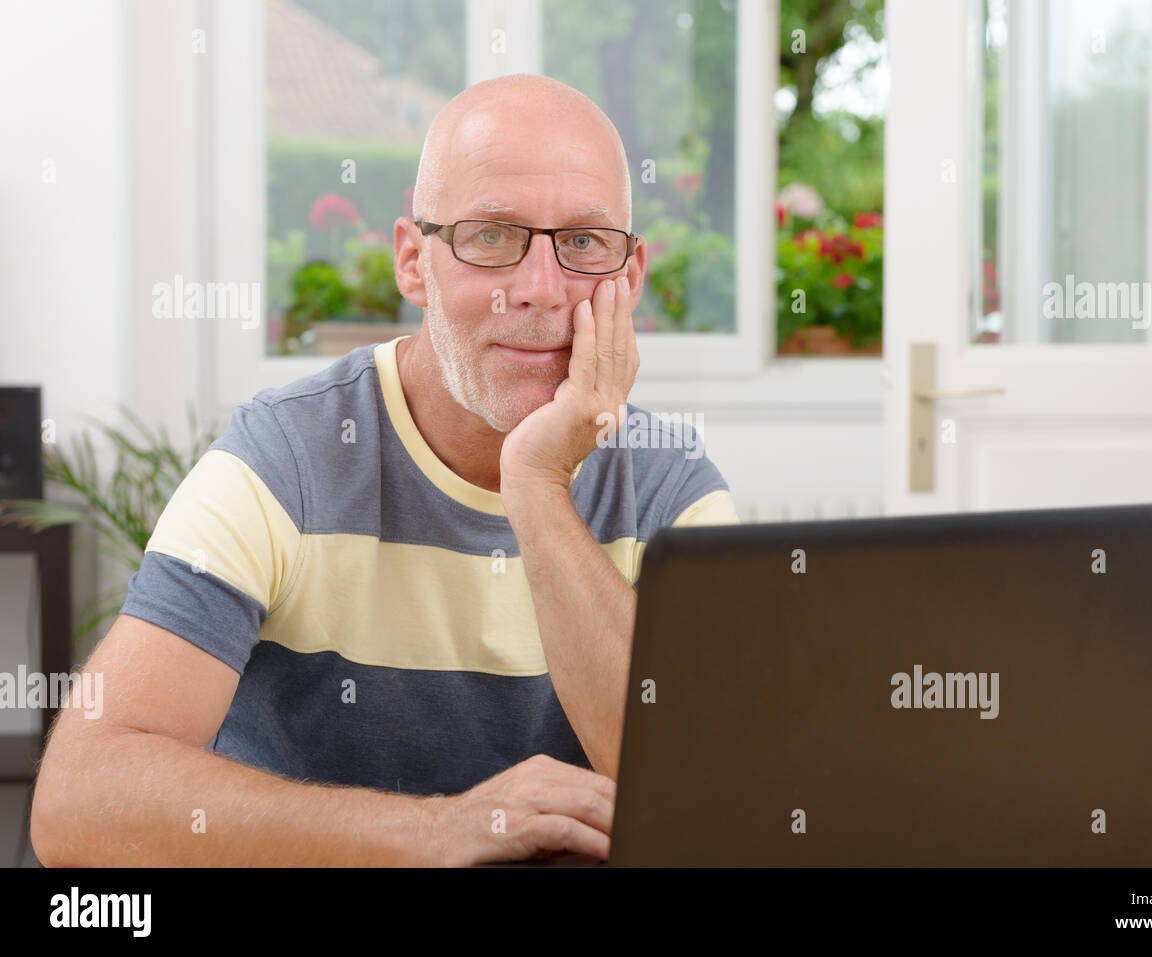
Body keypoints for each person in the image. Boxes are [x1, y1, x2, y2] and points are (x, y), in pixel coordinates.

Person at [31, 73, 739, 867]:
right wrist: (437, 830)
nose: (541, 291)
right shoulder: (285, 458)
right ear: (413, 262)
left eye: (583, 243)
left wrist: (537, 488)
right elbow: (79, 799)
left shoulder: (670, 482)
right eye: (491, 234)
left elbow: (710, 801)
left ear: (629, 278)